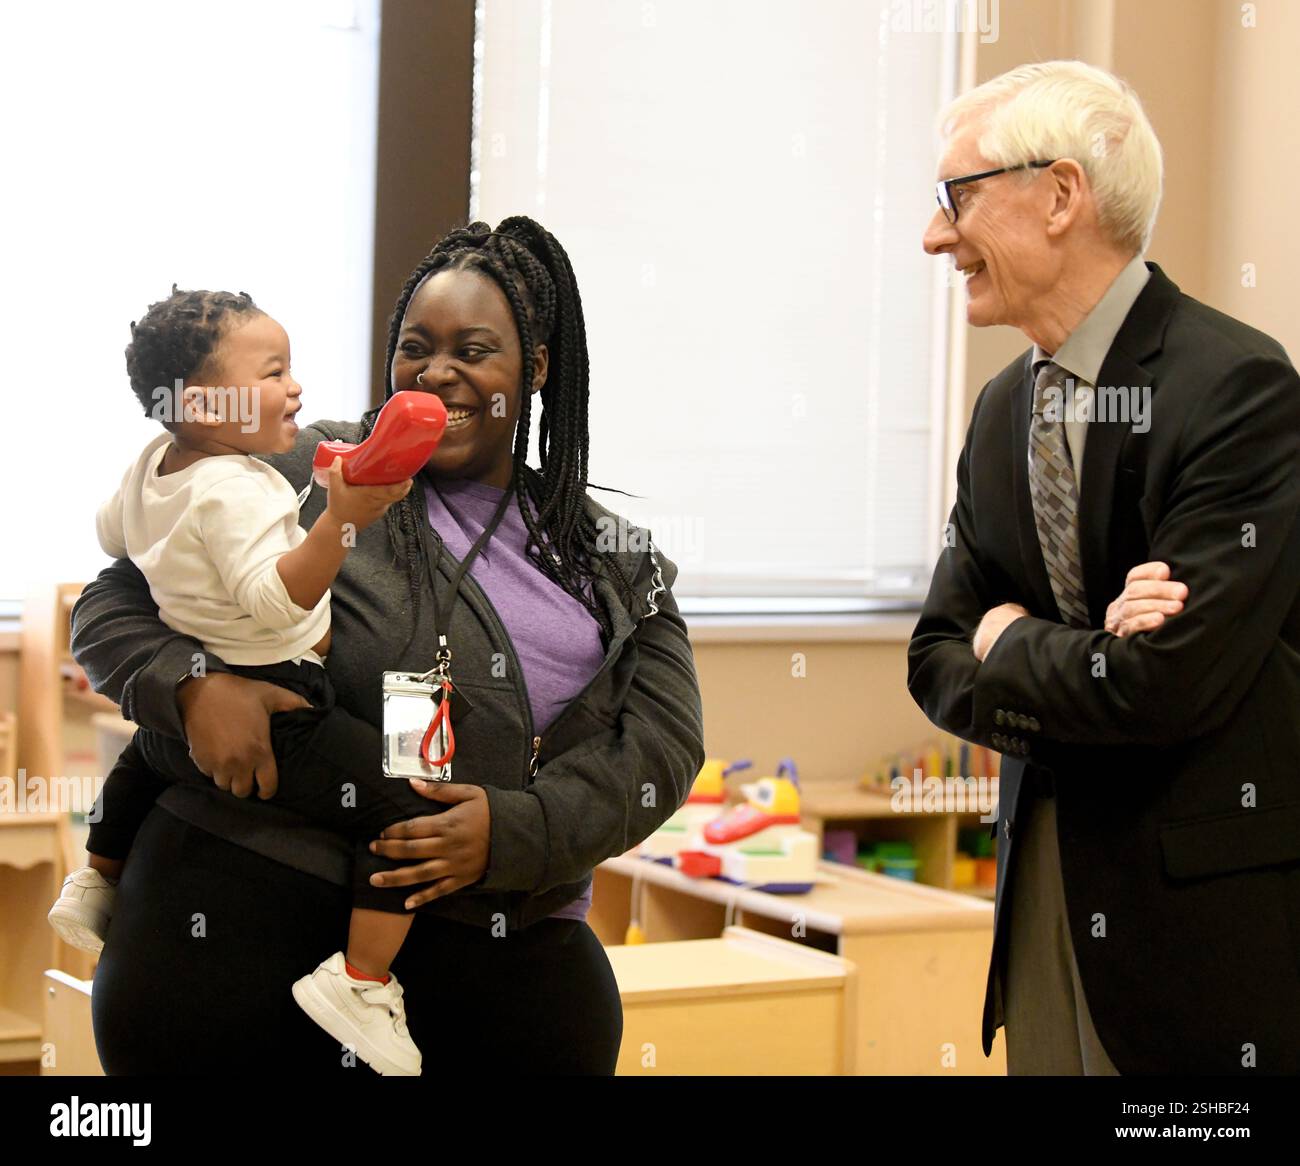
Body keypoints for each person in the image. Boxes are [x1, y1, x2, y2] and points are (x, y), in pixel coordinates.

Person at [71, 217, 706, 1075]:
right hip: (236, 923)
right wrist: (187, 685)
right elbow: (113, 599)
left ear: (537, 371)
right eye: (416, 346)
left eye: (475, 349)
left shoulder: (617, 560)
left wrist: (520, 829)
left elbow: (663, 746)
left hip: (502, 948)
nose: (438, 371)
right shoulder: (289, 468)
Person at [909, 60, 1300, 1074]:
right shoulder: (1002, 408)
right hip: (1038, 899)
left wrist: (1013, 638)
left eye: (957, 197)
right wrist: (1073, 652)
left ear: (1059, 195)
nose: (934, 236)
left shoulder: (1240, 389)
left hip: (1193, 938)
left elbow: (1164, 685)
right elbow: (935, 653)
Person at [50, 285, 457, 1075]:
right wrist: (343, 520)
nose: (295, 387)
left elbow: (112, 532)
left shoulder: (157, 465)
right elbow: (276, 602)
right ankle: (361, 982)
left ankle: (95, 880)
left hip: (208, 694)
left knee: (144, 756)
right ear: (204, 402)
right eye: (274, 373)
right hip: (279, 695)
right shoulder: (238, 485)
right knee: (404, 814)